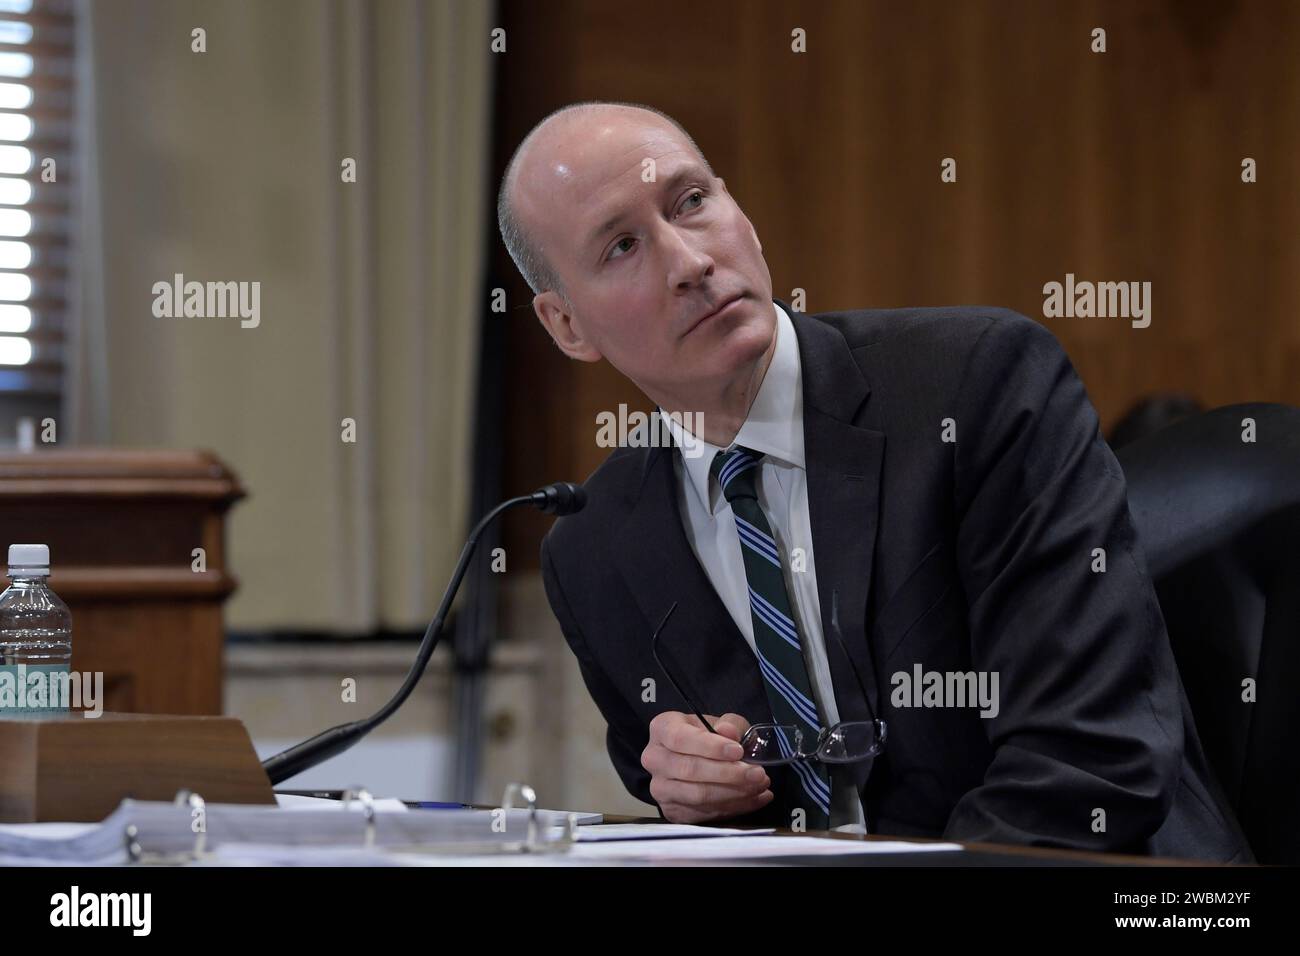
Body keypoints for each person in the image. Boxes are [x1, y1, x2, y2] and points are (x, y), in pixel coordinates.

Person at [497, 100, 1251, 860]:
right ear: (567, 326)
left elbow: (1087, 761)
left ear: (741, 212)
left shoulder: (977, 385)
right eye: (623, 245)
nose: (690, 262)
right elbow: (687, 811)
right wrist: (684, 782)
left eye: (693, 202)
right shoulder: (592, 549)